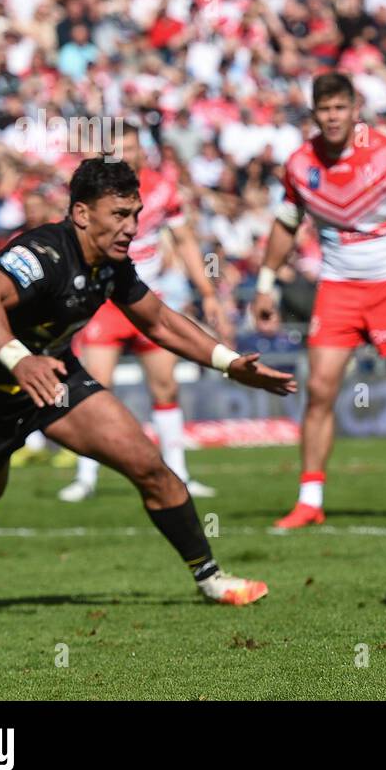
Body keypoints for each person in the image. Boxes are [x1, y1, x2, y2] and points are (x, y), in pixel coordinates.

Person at [0, 158, 295, 610]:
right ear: (81, 213)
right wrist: (19, 361)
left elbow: (160, 323)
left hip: (53, 377)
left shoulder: (112, 266)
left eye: (134, 214)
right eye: (119, 214)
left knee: (147, 464)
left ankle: (210, 577)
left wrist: (230, 363)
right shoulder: (42, 253)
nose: (131, 227)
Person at [253, 72, 386, 527]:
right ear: (315, 113)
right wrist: (265, 281)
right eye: (324, 110)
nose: (332, 117)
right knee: (320, 390)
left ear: (354, 109)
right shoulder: (301, 163)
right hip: (338, 287)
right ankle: (309, 499)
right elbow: (286, 223)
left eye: (340, 108)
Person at [58, 128, 228, 502]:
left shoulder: (163, 188)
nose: (127, 155)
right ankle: (86, 476)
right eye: (120, 150)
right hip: (105, 303)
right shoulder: (95, 195)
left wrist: (207, 293)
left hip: (149, 302)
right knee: (94, 387)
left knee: (165, 387)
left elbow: (184, 241)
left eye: (132, 148)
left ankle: (179, 474)